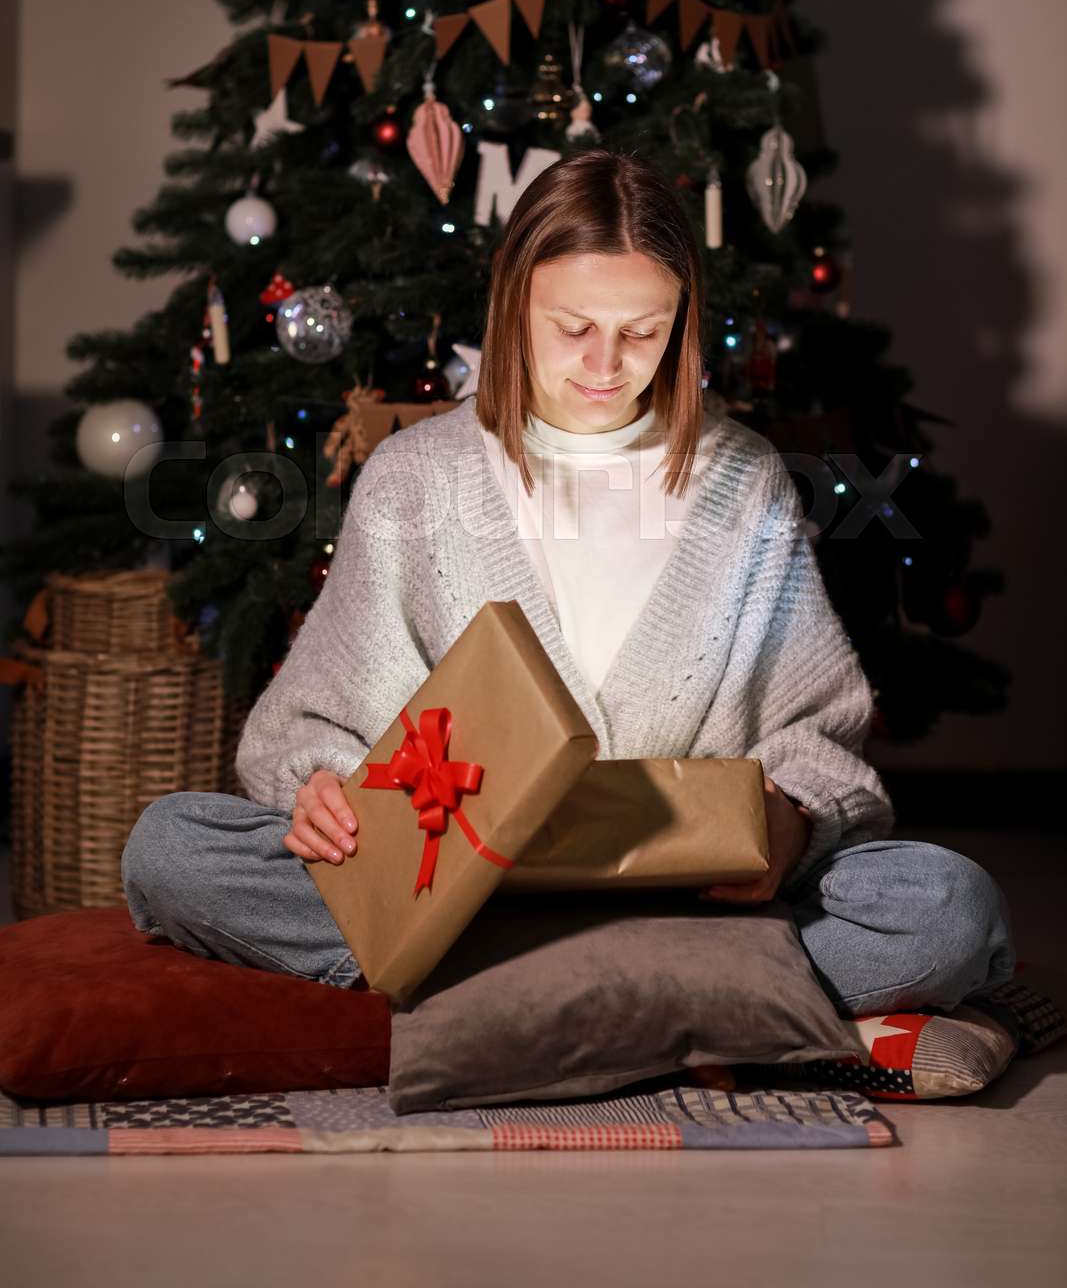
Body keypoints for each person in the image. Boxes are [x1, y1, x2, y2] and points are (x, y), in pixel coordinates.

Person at [122, 149, 1016, 1018]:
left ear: (682, 320)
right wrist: (322, 788)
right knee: (174, 847)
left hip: (682, 892)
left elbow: (816, 726)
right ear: (514, 305)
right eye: (572, 327)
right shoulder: (416, 477)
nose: (604, 365)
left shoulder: (740, 481)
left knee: (945, 905)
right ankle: (669, 1002)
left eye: (642, 331)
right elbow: (314, 719)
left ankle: (501, 1002)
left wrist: (787, 824)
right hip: (458, 889)